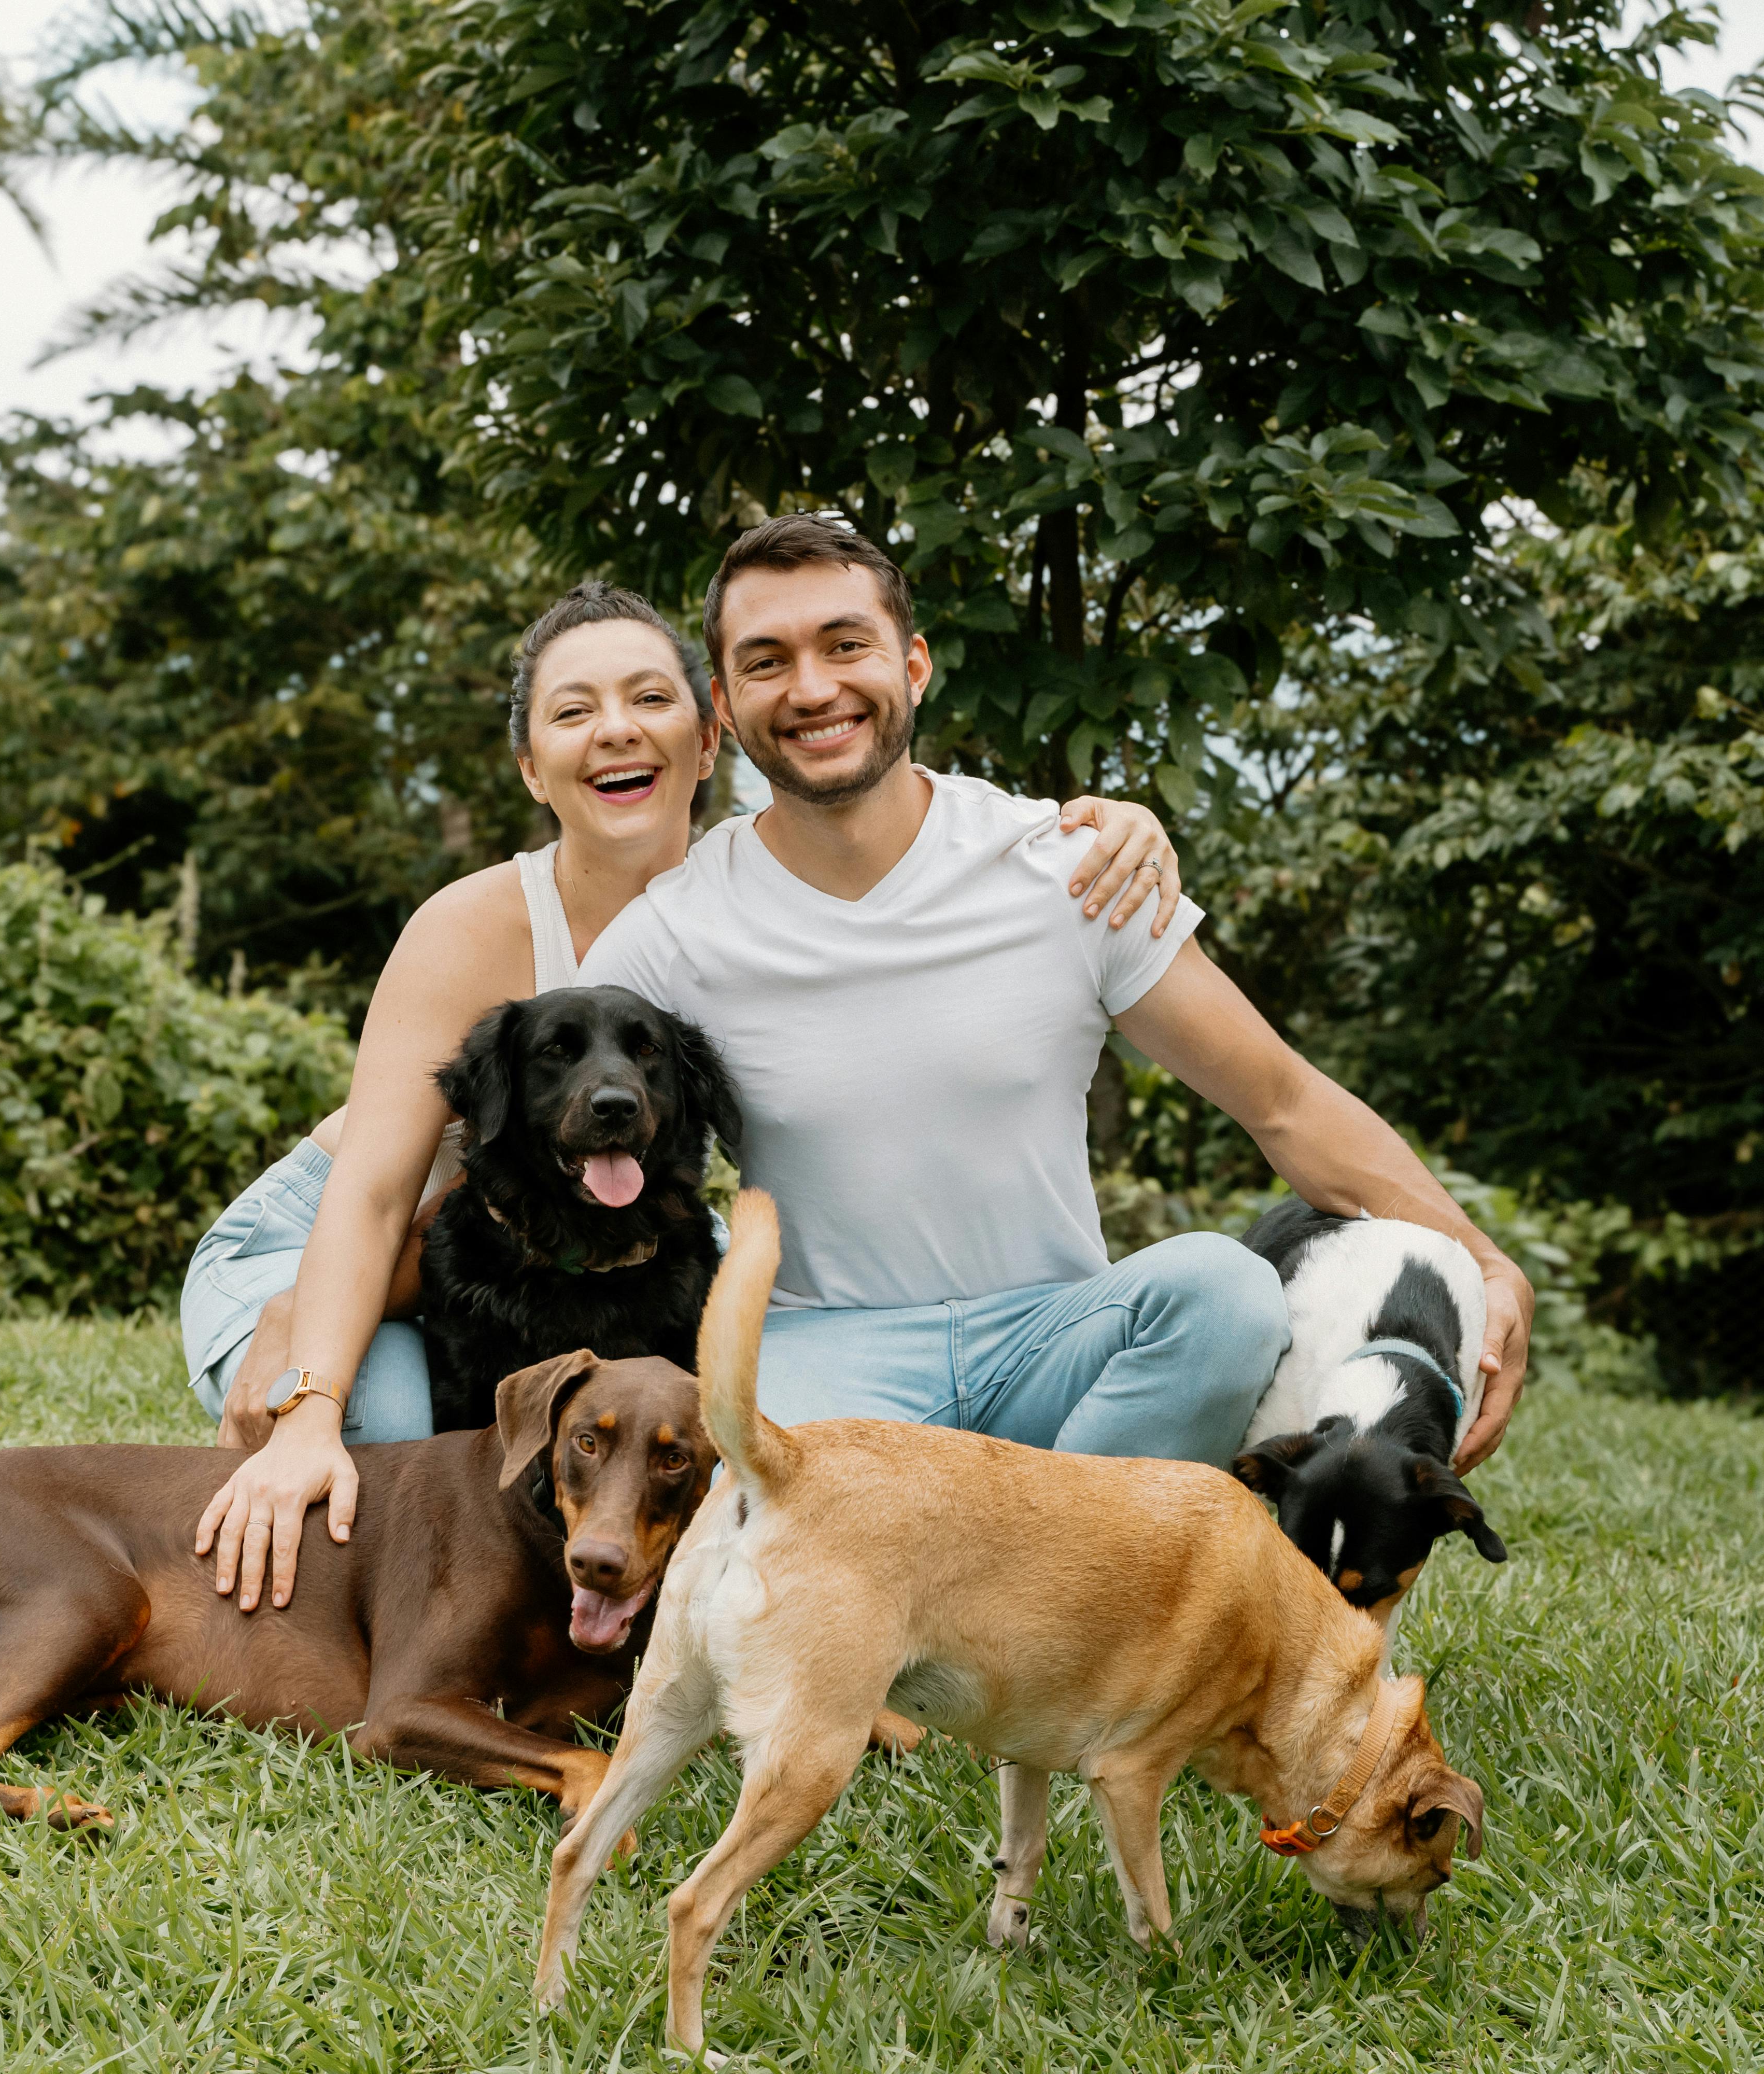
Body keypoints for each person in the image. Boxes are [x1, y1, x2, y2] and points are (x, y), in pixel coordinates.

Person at [183, 577, 1188, 1609]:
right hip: (345, 1233)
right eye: (573, 711)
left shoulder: (749, 898)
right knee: (394, 1444)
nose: (616, 729)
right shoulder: (473, 925)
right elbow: (375, 1197)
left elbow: (921, 869)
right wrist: (309, 1378)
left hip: (589, 1240)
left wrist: (1114, 823)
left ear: (710, 739)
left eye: (651, 698)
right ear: (531, 766)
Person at [574, 514, 1535, 1486]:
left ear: (914, 666)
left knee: (1227, 1294)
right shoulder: (672, 934)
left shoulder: (1070, 871)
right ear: (724, 705)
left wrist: (1487, 1264)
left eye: (846, 644)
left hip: (1058, 1344)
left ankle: (1041, 1547)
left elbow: (1283, 1102)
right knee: (742, 1463)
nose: (813, 687)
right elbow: (547, 1116)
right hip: (830, 1355)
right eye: (767, 661)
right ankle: (1026, 1561)